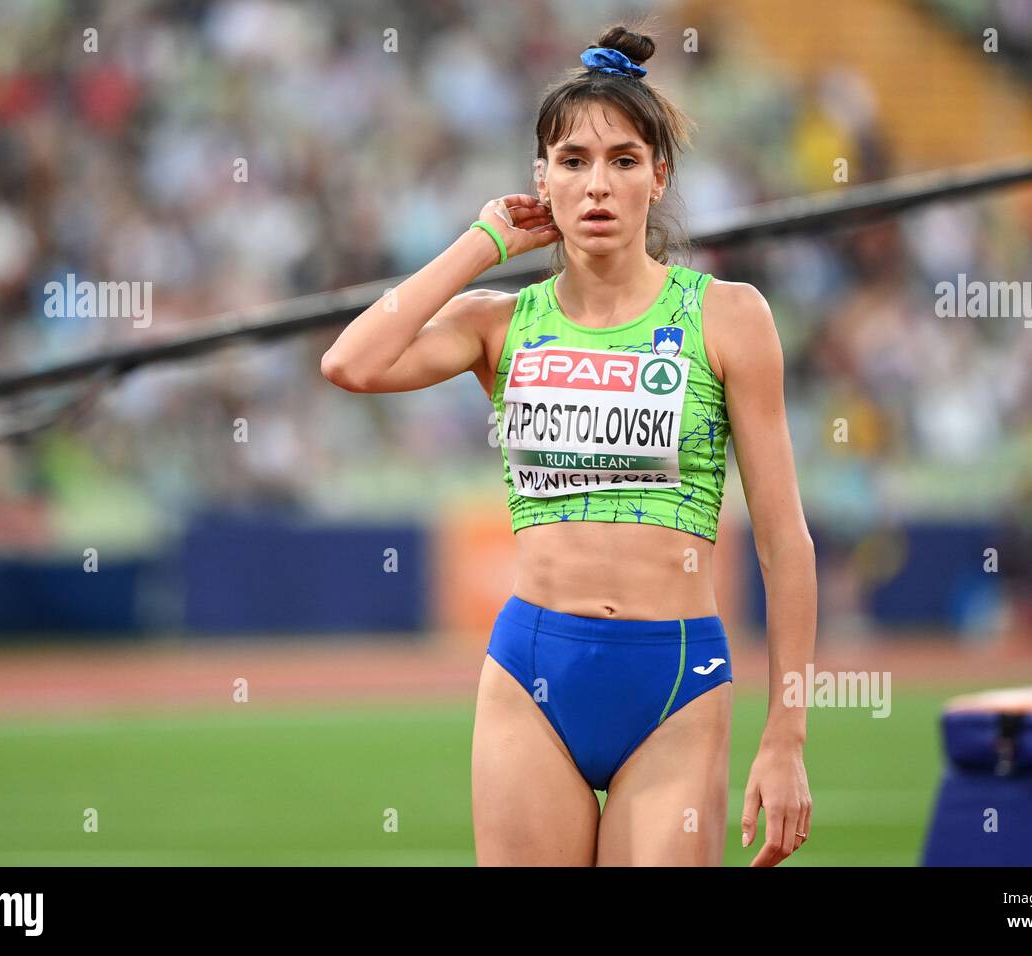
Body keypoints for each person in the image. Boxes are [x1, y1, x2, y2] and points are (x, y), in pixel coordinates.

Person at [321, 23, 816, 866]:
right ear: (539, 180)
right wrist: (482, 245)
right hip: (529, 675)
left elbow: (784, 541)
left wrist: (787, 737)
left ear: (659, 178)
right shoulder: (500, 324)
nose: (598, 186)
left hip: (676, 681)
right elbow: (350, 362)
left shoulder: (728, 316)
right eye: (573, 161)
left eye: (624, 160)